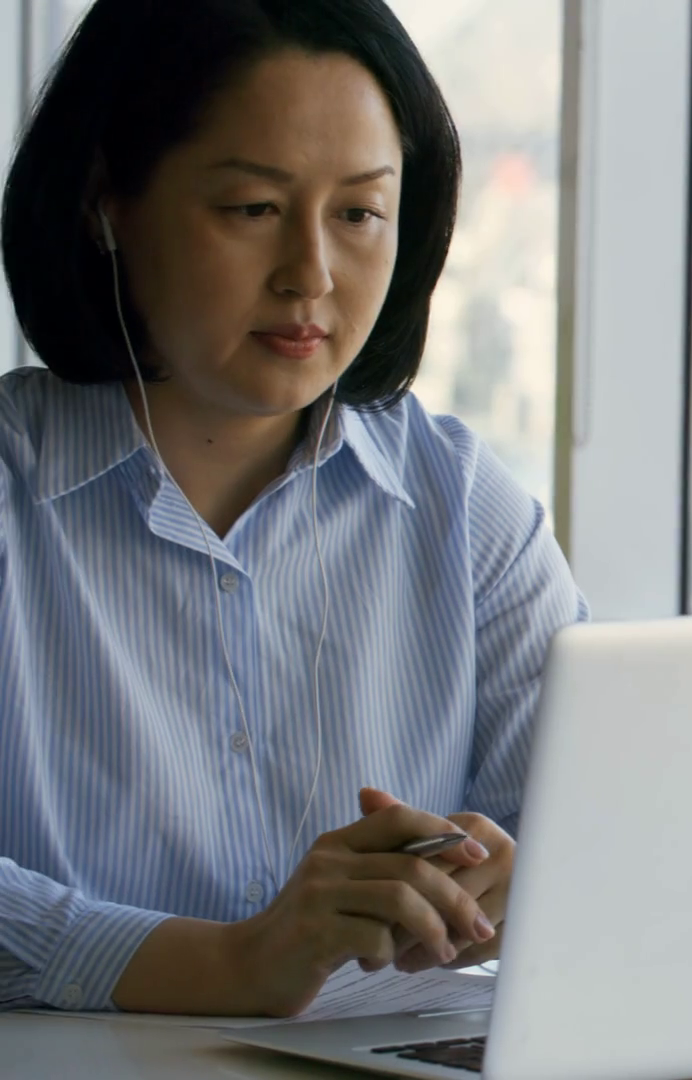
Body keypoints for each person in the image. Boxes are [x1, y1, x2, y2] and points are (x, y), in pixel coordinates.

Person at [0, 0, 586, 1018]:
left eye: (358, 213)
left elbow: (607, 834)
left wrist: (517, 880)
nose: (310, 276)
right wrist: (225, 965)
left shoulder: (463, 508)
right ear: (108, 205)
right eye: (252, 210)